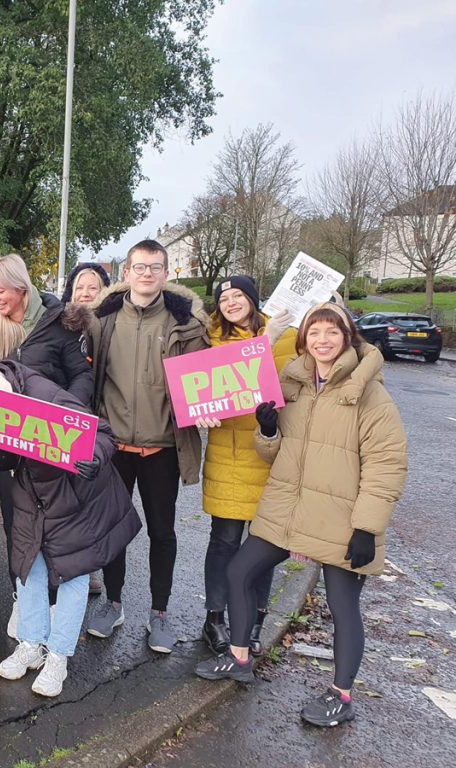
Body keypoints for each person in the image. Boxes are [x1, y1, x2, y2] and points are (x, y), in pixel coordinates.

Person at [196, 302, 407, 728]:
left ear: (347, 338)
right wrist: (268, 429)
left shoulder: (370, 393)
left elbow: (387, 464)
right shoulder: (292, 384)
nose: (323, 340)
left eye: (332, 332)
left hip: (341, 517)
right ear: (304, 338)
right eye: (315, 332)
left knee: (342, 604)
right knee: (239, 572)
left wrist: (366, 527)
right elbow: (272, 452)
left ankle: (341, 694)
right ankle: (239, 657)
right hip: (287, 508)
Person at [0, 334, 140, 697]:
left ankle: (58, 655)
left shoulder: (38, 392)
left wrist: (94, 456)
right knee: (27, 565)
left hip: (77, 494)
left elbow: (102, 433)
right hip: (31, 494)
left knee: (72, 572)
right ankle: (30, 643)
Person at [0, 253, 94, 633]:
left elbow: (82, 375)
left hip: (49, 438)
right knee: (16, 523)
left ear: (21, 286)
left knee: (49, 524)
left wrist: (70, 414)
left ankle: (52, 605)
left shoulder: (59, 324)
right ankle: (23, 598)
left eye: (1, 290)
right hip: (5, 437)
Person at [84, 239, 208, 653]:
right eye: (139, 266)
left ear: (166, 273)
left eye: (155, 267)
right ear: (126, 272)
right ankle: (114, 604)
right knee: (114, 530)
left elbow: (203, 379)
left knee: (162, 533)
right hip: (114, 445)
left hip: (163, 448)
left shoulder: (186, 323)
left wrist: (205, 406)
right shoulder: (102, 320)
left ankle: (159, 614)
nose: (147, 274)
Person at [195, 276, 296, 656]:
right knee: (223, 542)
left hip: (273, 453)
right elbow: (208, 385)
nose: (231, 302)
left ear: (254, 299)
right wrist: (199, 410)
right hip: (229, 454)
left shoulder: (286, 333)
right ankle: (215, 619)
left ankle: (254, 622)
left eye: (239, 295)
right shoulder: (213, 339)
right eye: (224, 297)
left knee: (263, 546)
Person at [60, 262, 112, 596]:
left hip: (105, 418)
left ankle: (93, 567)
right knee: (69, 498)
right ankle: (69, 562)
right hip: (70, 416)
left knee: (96, 499)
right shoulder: (62, 326)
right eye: (80, 286)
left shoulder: (112, 323)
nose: (86, 292)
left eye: (93, 286)